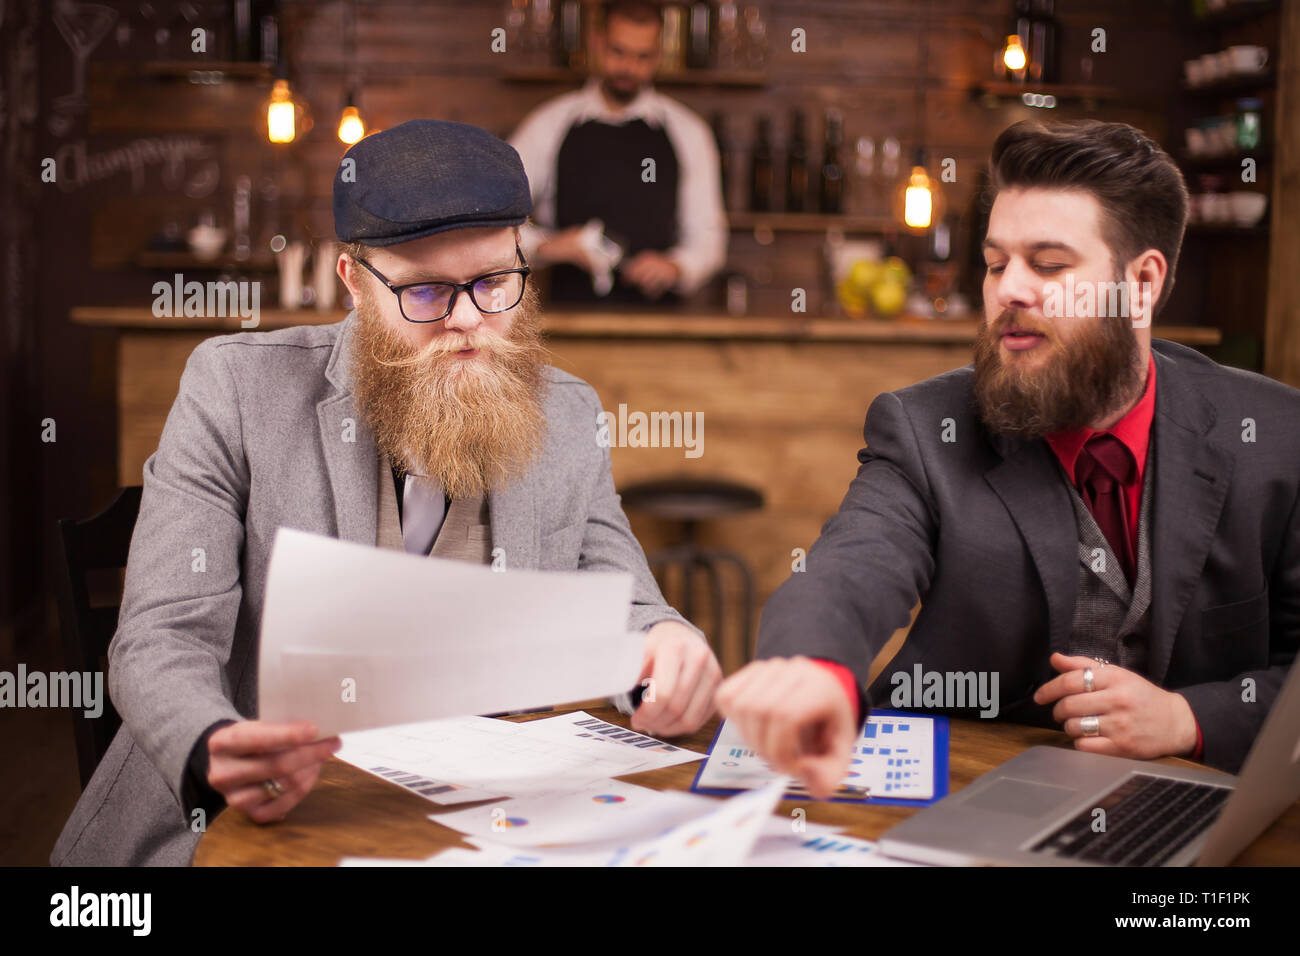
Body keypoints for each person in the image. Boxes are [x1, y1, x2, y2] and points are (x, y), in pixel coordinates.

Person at [52, 119, 720, 866]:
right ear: (354, 285)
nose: (468, 321)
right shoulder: (234, 388)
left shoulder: (568, 412)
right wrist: (212, 742)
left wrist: (670, 644)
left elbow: (624, 596)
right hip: (256, 828)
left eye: (495, 282)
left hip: (473, 824)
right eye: (428, 292)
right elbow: (160, 638)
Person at [718, 119, 1299, 796]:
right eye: (996, 264)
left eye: (1048, 265)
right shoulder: (925, 428)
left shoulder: (1276, 436)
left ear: (1140, 285)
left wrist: (1187, 718)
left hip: (1201, 817)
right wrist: (812, 669)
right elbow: (850, 568)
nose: (1008, 292)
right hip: (961, 801)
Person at [509, 0, 727, 304]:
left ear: (659, 55)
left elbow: (708, 238)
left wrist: (675, 267)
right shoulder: (548, 125)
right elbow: (501, 221)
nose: (628, 67)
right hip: (566, 323)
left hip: (662, 330)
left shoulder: (689, 132)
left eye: (643, 57)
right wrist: (551, 246)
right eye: (618, 52)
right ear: (596, 43)